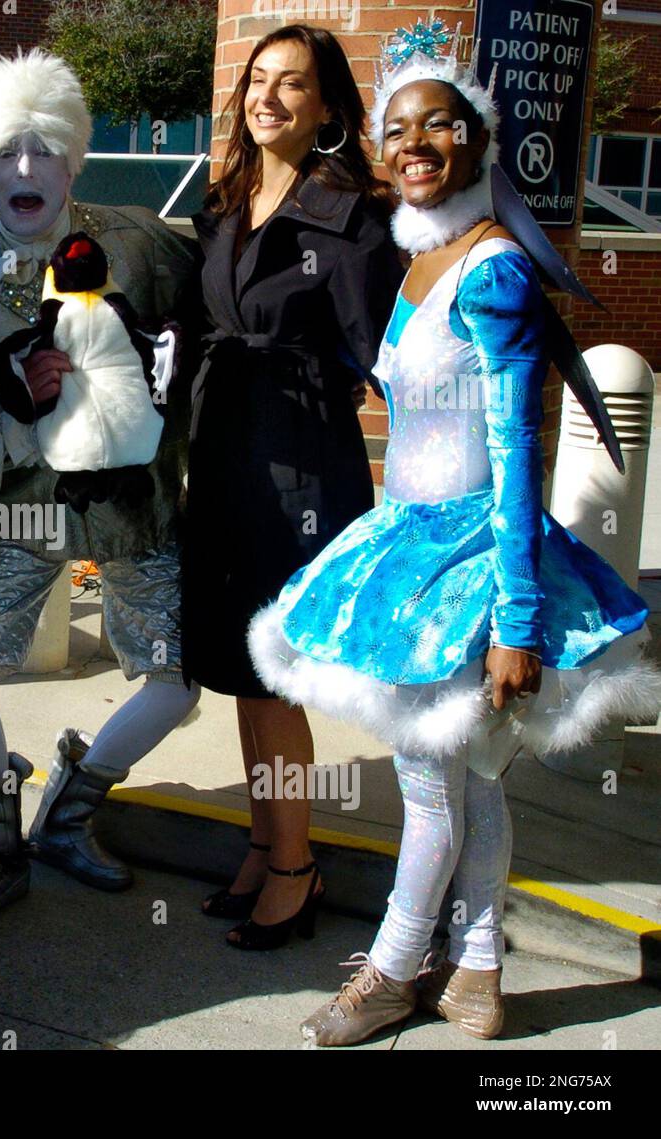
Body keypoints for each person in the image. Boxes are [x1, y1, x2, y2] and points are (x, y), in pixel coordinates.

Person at [249, 20, 661, 1045]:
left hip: (476, 563)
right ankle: (476, 973)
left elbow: (520, 454)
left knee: (433, 784)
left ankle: (388, 973)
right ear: (381, 152)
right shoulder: (422, 261)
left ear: (478, 142)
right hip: (409, 543)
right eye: (397, 131)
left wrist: (516, 620)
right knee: (469, 778)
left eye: (439, 125)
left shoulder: (494, 272)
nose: (415, 144)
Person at [0, 48, 202, 932]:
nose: (25, 170)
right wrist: (18, 410)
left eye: (44, 151)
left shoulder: (144, 242)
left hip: (132, 502)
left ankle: (68, 812)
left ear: (74, 160)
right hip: (24, 506)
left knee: (177, 680)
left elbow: (208, 338)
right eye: (5, 153)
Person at [183, 24, 404, 950]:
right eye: (258, 79)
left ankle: (296, 868)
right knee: (240, 667)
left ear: (325, 108)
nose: (267, 96)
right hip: (224, 450)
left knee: (276, 675)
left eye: (293, 84)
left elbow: (394, 351)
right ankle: (265, 839)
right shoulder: (227, 200)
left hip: (297, 462)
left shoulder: (352, 214)